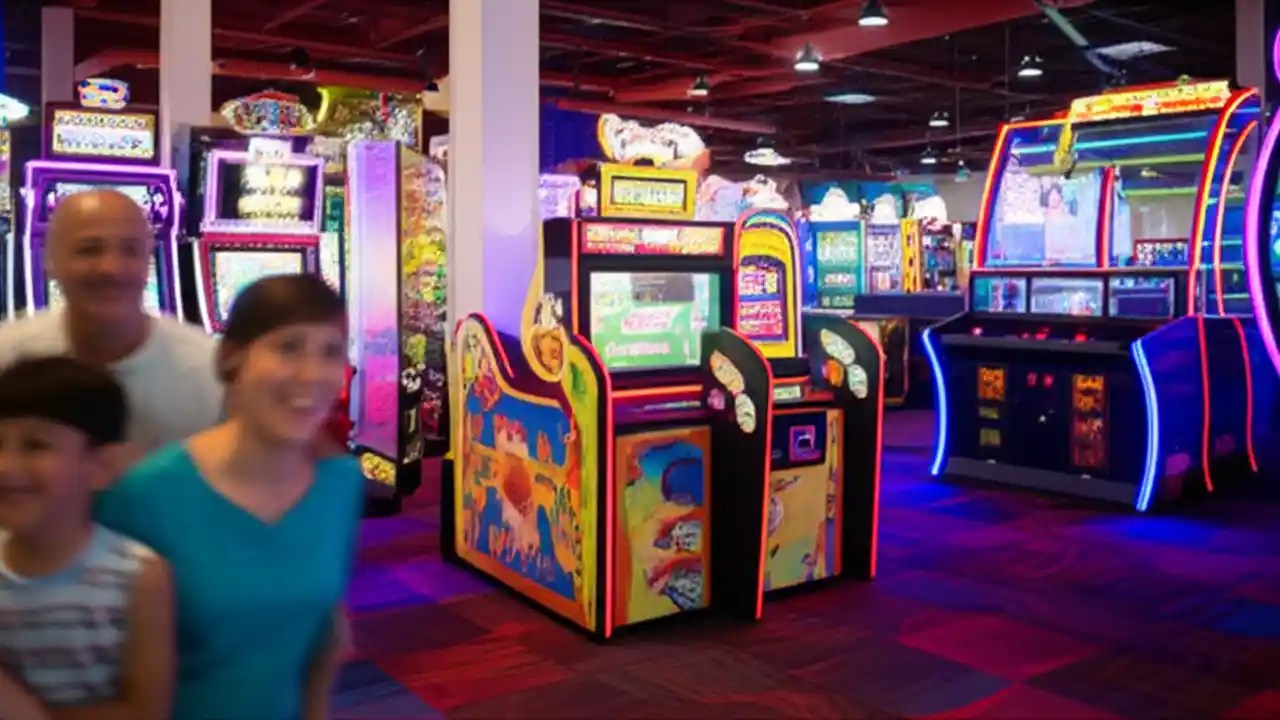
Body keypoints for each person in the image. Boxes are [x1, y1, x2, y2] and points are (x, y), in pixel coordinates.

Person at [95, 274, 362, 720]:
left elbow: (322, 644)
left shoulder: (341, 484)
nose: (312, 374)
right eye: (288, 347)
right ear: (232, 358)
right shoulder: (145, 494)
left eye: (330, 352)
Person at [0, 357, 173, 720]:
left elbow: (147, 711)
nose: (6, 466)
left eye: (35, 445)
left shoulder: (139, 577)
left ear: (101, 466)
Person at [0, 189, 222, 462]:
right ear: (49, 260)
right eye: (89, 250)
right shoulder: (8, 355)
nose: (111, 268)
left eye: (130, 251)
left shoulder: (210, 373)